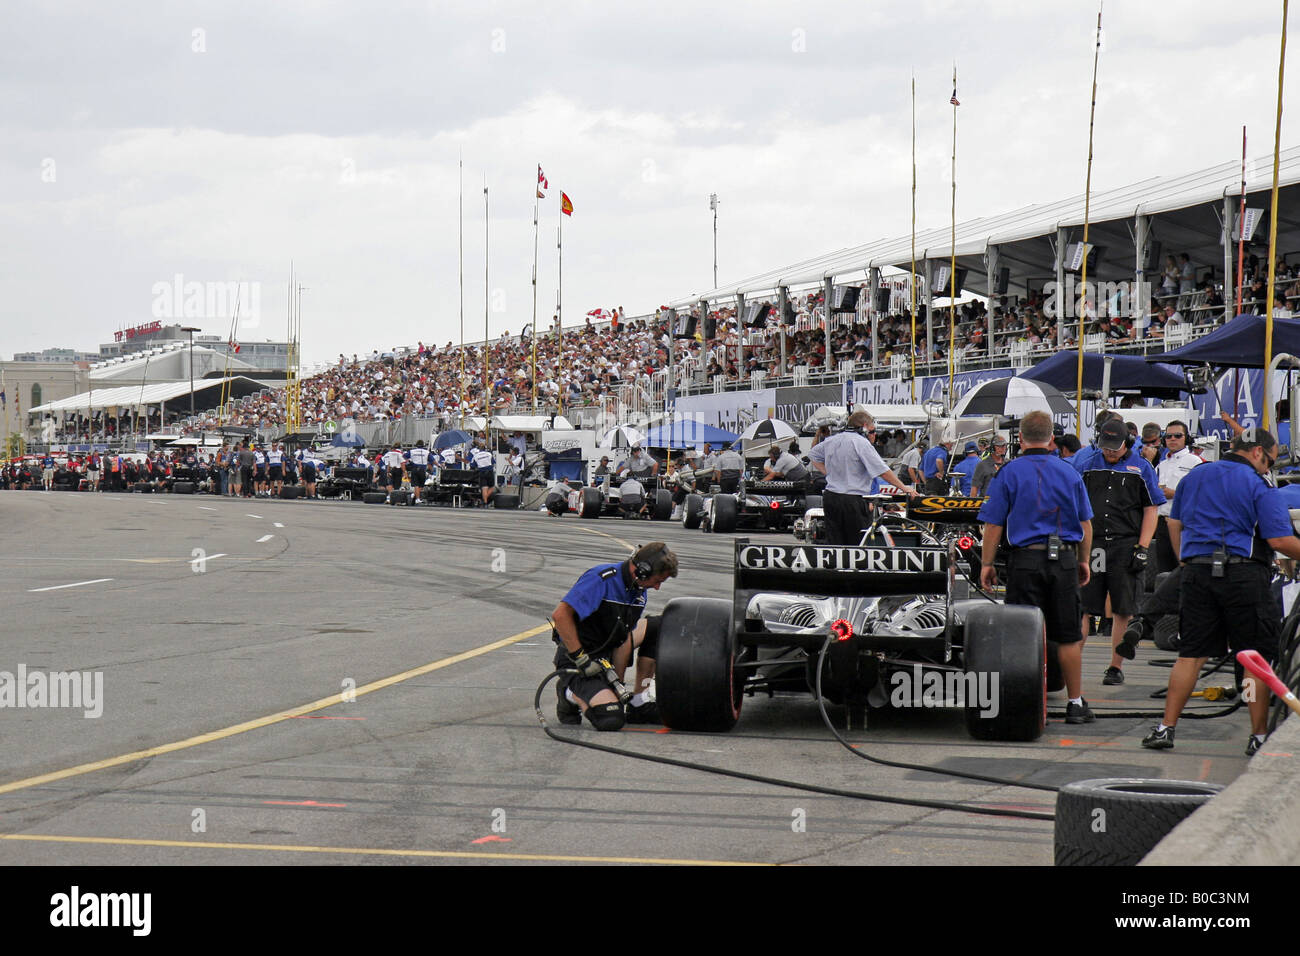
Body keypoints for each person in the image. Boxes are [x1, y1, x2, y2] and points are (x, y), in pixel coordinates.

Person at [1141, 429, 1300, 755]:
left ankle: (1165, 728)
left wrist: (1185, 560)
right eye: (1269, 461)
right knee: (1253, 659)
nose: (1268, 467)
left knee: (1190, 656)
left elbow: (1174, 522)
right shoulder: (1260, 486)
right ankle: (1257, 736)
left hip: (1197, 575)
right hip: (1243, 575)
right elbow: (1280, 542)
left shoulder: (1195, 477)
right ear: (1258, 452)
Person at [978, 410, 1096, 723]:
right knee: (1069, 634)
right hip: (1064, 560)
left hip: (1025, 560)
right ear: (1052, 439)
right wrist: (1083, 560)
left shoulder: (1009, 472)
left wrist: (986, 564)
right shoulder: (1070, 472)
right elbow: (1086, 523)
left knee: (1022, 631)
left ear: (1020, 439)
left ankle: (1022, 700)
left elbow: (993, 525)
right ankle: (1075, 703)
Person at [550, 542, 679, 730]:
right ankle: (568, 693)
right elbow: (560, 616)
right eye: (657, 581)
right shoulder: (601, 579)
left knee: (660, 626)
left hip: (606, 652)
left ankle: (639, 702)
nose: (657, 587)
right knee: (611, 718)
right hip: (578, 658)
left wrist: (617, 682)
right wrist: (581, 659)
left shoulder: (639, 591)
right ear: (641, 571)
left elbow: (623, 638)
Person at [1077, 418, 1165, 686]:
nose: (1110, 452)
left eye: (1114, 447)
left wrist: (1143, 546)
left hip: (1125, 544)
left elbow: (1151, 508)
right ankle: (1073, 662)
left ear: (1127, 443)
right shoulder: (1087, 465)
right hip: (1093, 544)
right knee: (1083, 606)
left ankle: (1115, 666)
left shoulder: (1142, 468)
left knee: (1122, 609)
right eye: (1106, 447)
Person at [807, 410, 916, 546]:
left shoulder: (832, 440)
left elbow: (813, 454)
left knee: (834, 543)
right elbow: (883, 471)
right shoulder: (861, 443)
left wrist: (828, 472)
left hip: (832, 497)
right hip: (853, 499)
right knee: (858, 544)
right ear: (864, 427)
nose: (874, 435)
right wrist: (904, 488)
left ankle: (836, 566)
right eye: (872, 431)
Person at [1152, 420, 1200, 574]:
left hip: (1183, 523)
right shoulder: (1161, 465)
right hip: (1161, 523)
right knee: (1163, 572)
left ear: (1186, 438)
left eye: (1177, 435)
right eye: (1168, 436)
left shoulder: (1194, 461)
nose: (1172, 439)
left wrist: (1174, 494)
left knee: (1184, 568)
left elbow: (1200, 493)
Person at [921, 429, 953, 494]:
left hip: (928, 483)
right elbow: (939, 460)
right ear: (947, 444)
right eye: (951, 445)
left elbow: (920, 470)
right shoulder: (942, 452)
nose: (951, 448)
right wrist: (941, 472)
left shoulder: (928, 452)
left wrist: (925, 482)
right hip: (936, 482)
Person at [406, 440, 432, 505]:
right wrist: (438, 465)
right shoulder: (426, 452)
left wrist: (409, 461)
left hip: (414, 468)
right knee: (421, 485)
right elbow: (432, 460)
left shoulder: (412, 451)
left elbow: (404, 456)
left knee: (416, 484)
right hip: (422, 469)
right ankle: (417, 499)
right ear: (423, 445)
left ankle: (414, 494)